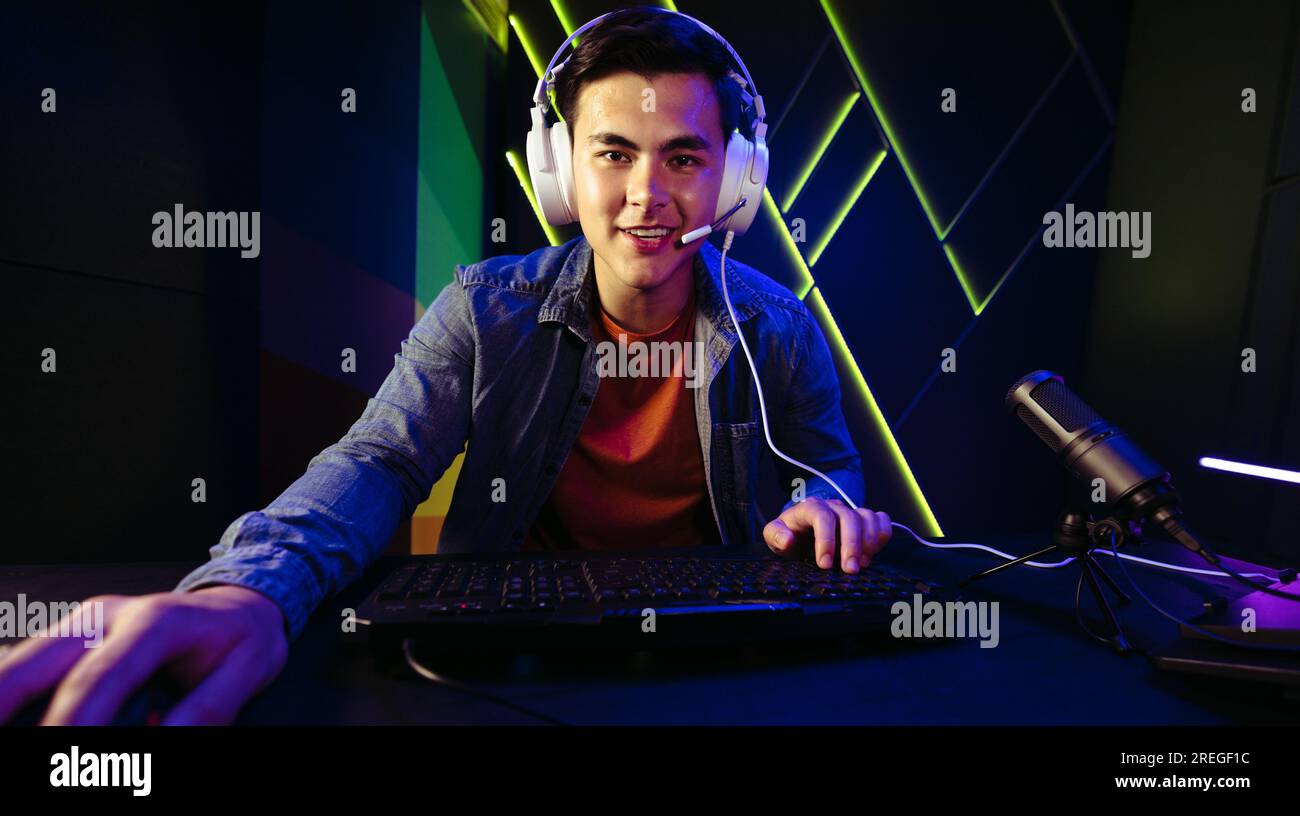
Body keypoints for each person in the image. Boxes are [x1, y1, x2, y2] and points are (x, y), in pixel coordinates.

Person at [0, 6, 891, 726]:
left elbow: (828, 471)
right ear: (560, 173)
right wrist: (250, 594)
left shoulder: (779, 327)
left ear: (735, 180)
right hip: (514, 656)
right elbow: (377, 460)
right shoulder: (482, 308)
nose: (646, 196)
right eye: (613, 154)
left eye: (685, 158)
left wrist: (827, 509)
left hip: (713, 661)